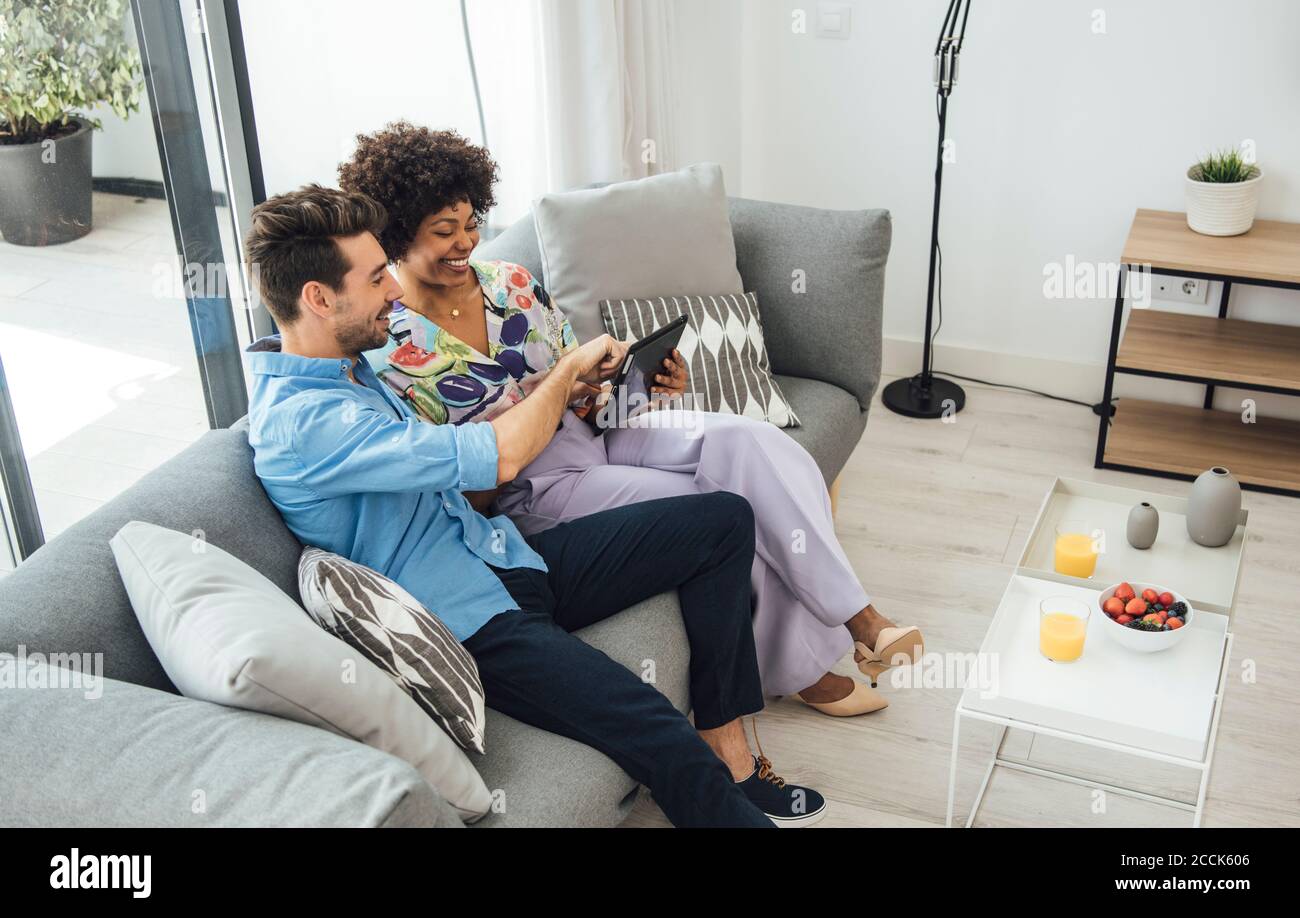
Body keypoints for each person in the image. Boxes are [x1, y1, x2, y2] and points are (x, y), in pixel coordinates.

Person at [241, 183, 827, 827]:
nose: (396, 292)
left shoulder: (350, 365)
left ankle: (723, 726)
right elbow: (496, 456)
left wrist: (593, 386)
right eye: (378, 277)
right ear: (319, 298)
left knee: (722, 519)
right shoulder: (305, 424)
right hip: (470, 624)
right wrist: (566, 369)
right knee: (653, 726)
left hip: (502, 556)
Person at [339, 122, 925, 716]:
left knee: (755, 446)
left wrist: (641, 383)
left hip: (603, 429)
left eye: (471, 224)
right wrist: (558, 393)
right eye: (445, 231)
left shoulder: (510, 284)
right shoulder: (387, 346)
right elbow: (463, 479)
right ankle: (821, 658)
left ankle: (863, 620)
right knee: (728, 508)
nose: (466, 242)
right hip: (537, 484)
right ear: (395, 234)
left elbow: (583, 386)